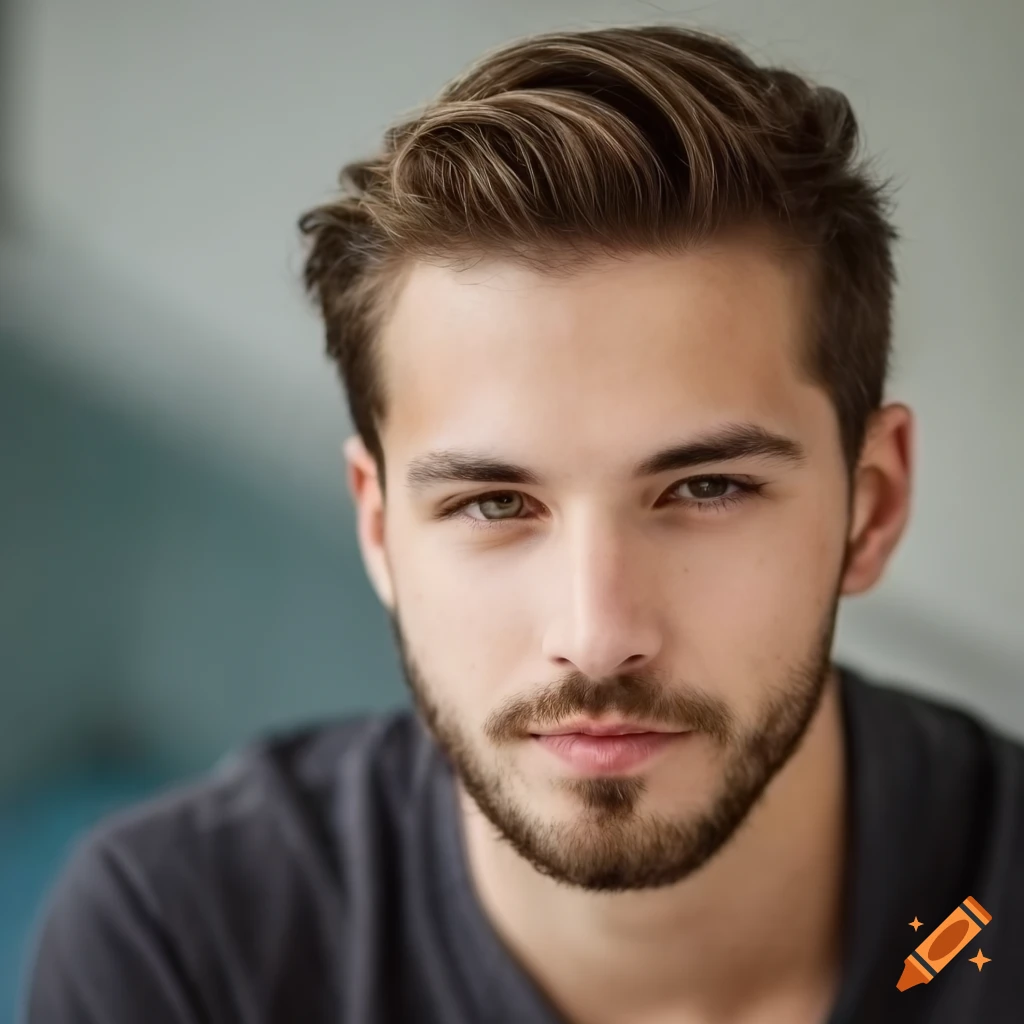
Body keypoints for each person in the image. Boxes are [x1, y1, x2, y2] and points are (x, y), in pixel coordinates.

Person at [20, 22, 1024, 1024]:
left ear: (871, 505)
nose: (596, 634)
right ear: (379, 530)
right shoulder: (180, 950)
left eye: (706, 488)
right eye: (494, 504)